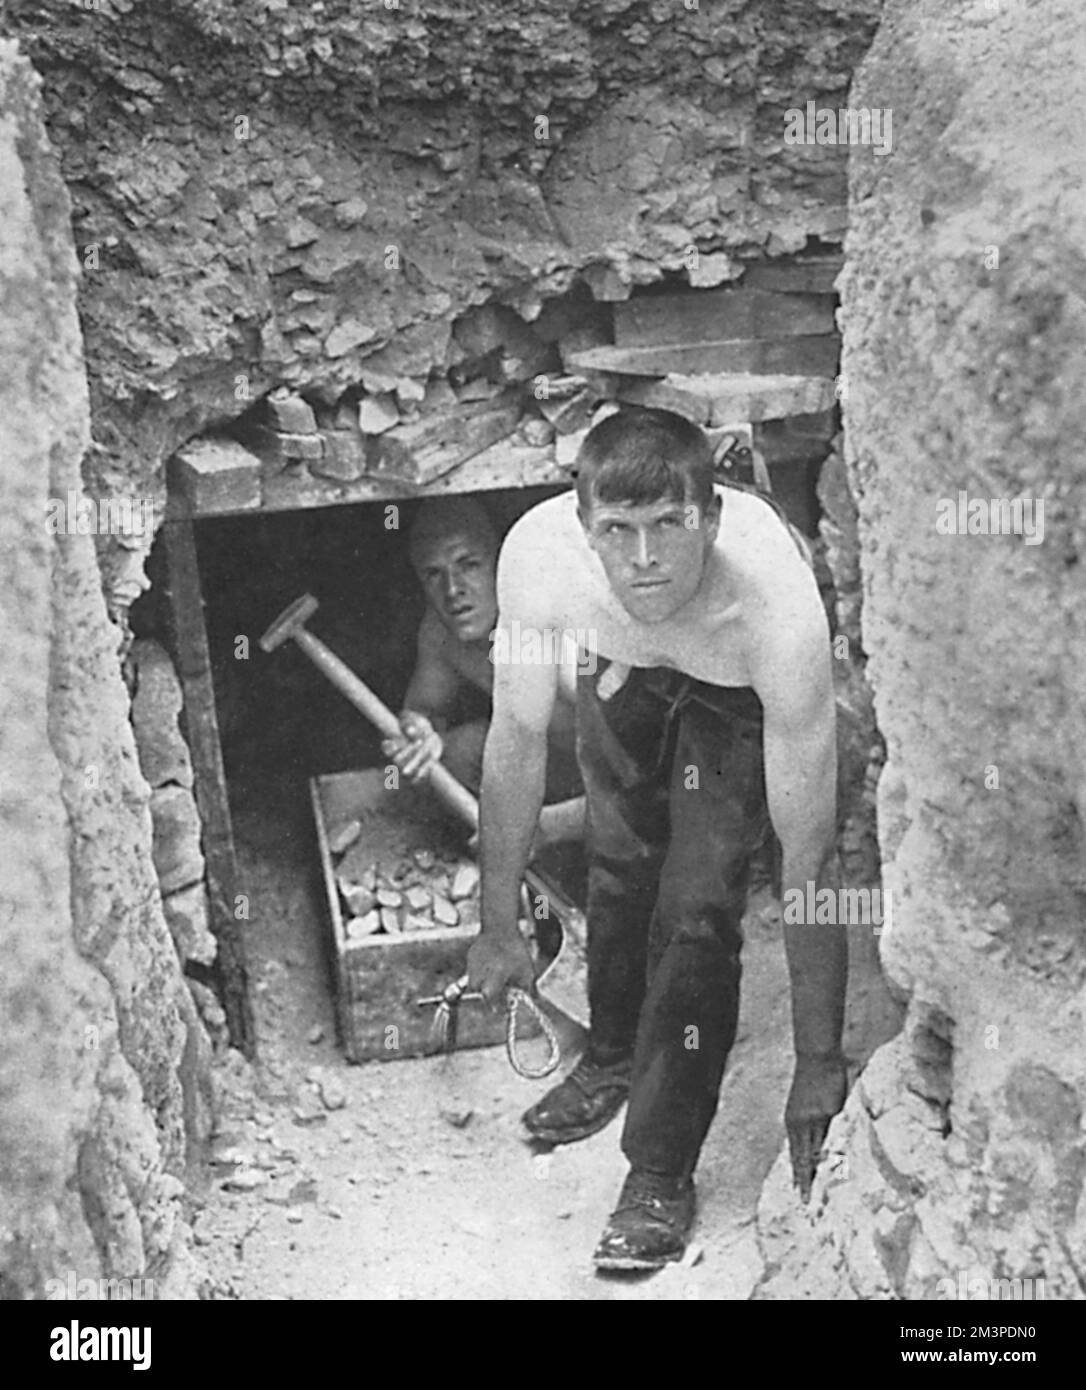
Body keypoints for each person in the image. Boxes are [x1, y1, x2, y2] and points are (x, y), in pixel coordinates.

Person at [466, 408, 846, 1270]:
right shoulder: (539, 560)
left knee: (696, 914)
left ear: (711, 518)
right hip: (619, 661)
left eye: (670, 524)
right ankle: (613, 1054)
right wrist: (497, 924)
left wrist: (818, 1060)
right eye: (618, 530)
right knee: (619, 857)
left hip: (731, 684)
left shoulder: (775, 610)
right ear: (583, 528)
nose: (644, 557)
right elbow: (515, 740)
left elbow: (810, 860)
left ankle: (660, 1167)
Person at [383, 497, 585, 851]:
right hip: (552, 764)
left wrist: (546, 829)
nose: (452, 590)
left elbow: (656, 779)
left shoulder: (556, 635)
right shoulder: (441, 631)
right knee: (455, 755)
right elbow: (422, 710)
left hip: (622, 784)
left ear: (501, 566)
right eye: (434, 574)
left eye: (469, 565)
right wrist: (421, 733)